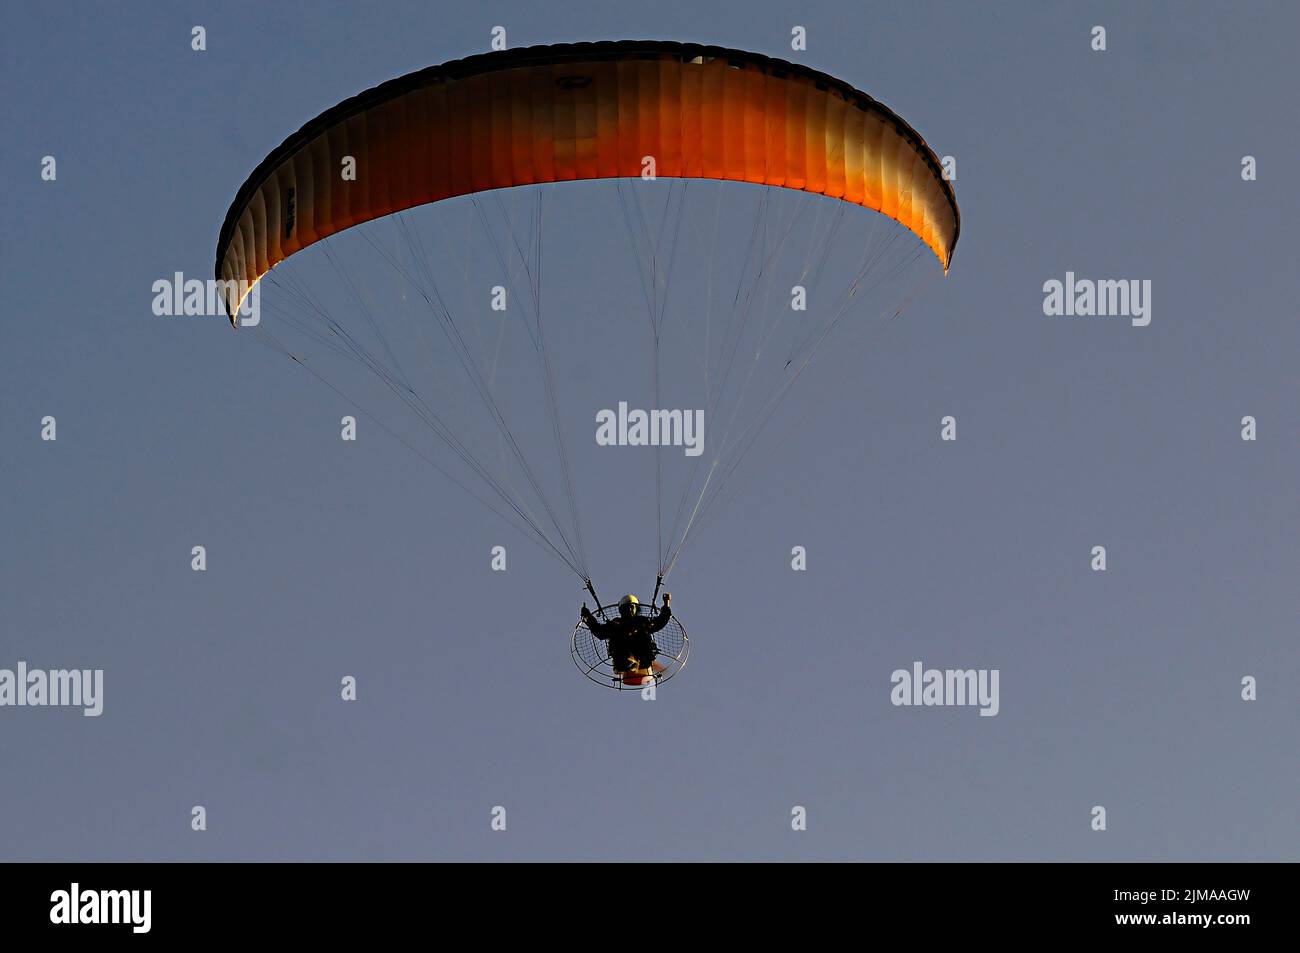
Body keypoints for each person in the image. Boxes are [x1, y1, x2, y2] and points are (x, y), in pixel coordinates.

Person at [581, 592, 672, 682]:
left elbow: (660, 621)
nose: (630, 609)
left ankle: (634, 661)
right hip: (622, 659)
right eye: (627, 607)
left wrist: (666, 603)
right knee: (617, 630)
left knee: (641, 630)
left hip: (643, 657)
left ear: (636, 608)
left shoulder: (642, 622)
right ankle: (629, 661)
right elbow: (599, 632)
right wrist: (588, 617)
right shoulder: (615, 624)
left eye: (632, 607)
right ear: (622, 610)